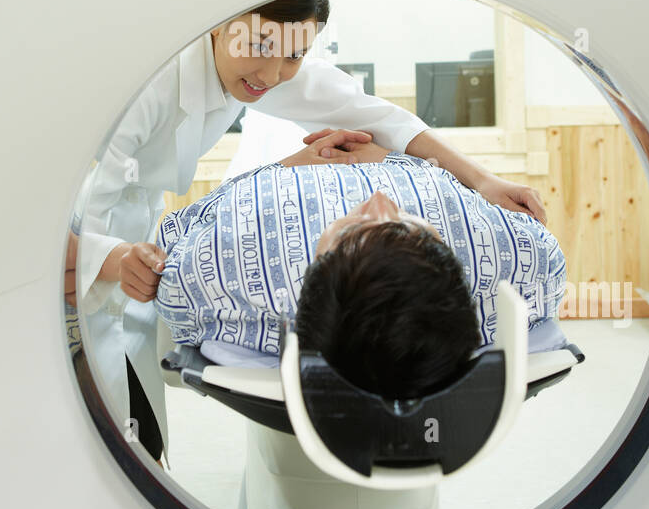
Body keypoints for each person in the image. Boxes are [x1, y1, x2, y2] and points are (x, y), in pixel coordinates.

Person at [66, 0, 546, 454]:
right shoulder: (150, 79)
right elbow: (61, 209)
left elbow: (374, 115)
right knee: (82, 420)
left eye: (294, 55)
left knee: (132, 425)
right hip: (71, 240)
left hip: (135, 240)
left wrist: (482, 182)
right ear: (216, 24)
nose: (273, 72)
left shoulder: (259, 70)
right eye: (258, 46)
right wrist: (106, 257)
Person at [154, 145, 569, 399]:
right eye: (410, 225)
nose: (378, 200)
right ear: (449, 257)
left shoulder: (214, 268)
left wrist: (290, 163)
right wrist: (394, 158)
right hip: (394, 149)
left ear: (311, 281)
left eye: (350, 230)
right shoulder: (519, 258)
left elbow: (181, 226)